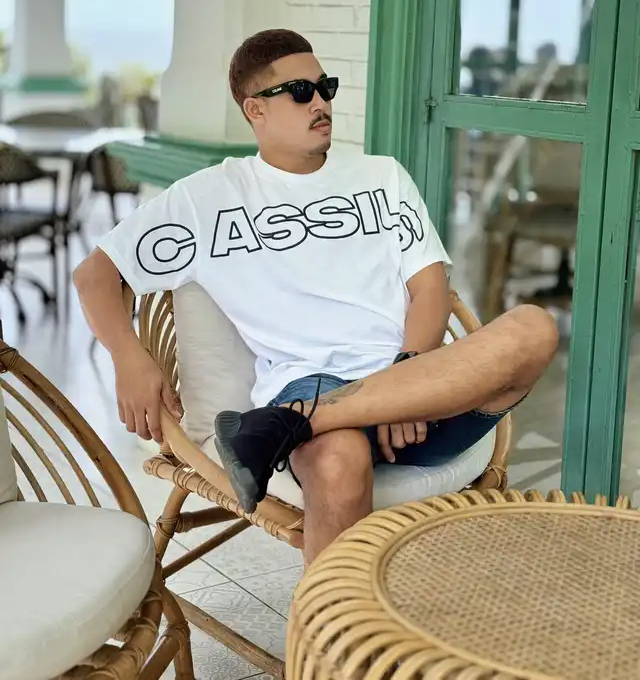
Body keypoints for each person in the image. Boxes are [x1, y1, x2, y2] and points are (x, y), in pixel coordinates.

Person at [74, 28, 558, 565]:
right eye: (301, 91)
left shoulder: (382, 175)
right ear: (256, 109)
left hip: (419, 380)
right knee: (336, 462)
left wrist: (407, 378)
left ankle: (284, 426)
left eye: (325, 87)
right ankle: (333, 622)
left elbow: (430, 287)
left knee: (534, 328)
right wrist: (129, 358)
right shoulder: (207, 198)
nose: (321, 102)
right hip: (313, 381)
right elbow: (95, 276)